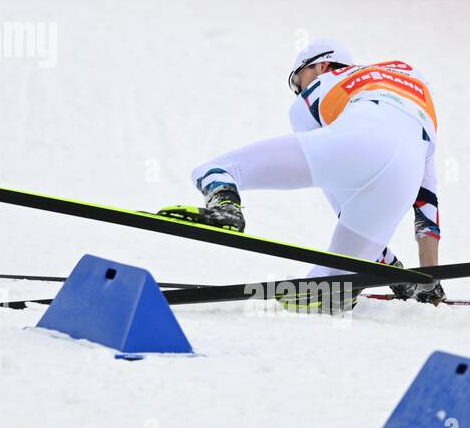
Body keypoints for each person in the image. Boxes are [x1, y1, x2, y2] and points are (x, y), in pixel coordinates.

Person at [163, 39, 444, 310]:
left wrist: (387, 265)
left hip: (355, 142)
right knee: (327, 290)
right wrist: (422, 279)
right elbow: (427, 209)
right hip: (404, 177)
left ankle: (225, 210)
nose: (299, 91)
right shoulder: (418, 92)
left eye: (298, 82)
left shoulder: (320, 88)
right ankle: (344, 289)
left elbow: (341, 188)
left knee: (216, 171)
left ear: (321, 66)